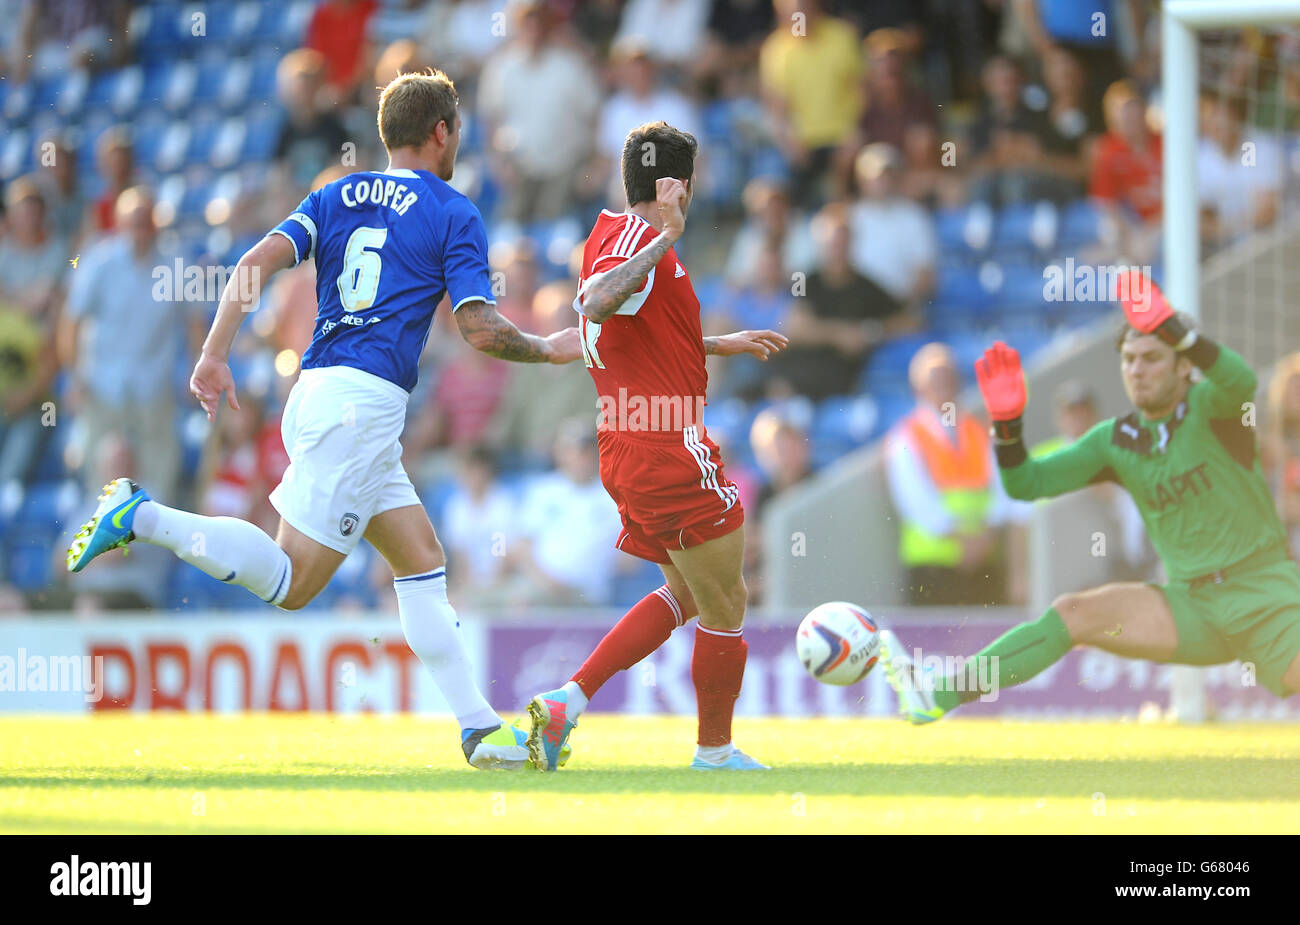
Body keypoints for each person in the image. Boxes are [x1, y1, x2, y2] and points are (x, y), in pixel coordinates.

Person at [66, 70, 582, 771]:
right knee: (291, 583)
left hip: (323, 391)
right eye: (456, 129)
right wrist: (550, 349)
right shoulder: (453, 210)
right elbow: (480, 330)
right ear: (441, 132)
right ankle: (143, 515)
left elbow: (254, 262)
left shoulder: (334, 194)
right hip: (361, 408)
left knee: (421, 559)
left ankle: (479, 728)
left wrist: (216, 353)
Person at [882, 273, 1300, 723]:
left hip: (1264, 595)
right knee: (1072, 613)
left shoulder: (1211, 407)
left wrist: (1174, 328)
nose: (1138, 370)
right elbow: (1027, 484)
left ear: (1183, 367)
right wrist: (1007, 426)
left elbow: (1237, 379)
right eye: (1130, 359)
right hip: (1190, 606)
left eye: (1153, 358)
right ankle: (937, 694)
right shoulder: (1113, 441)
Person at [524, 121, 788, 772]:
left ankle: (569, 698)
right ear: (678, 186)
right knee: (727, 600)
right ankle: (715, 753)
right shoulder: (646, 241)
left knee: (690, 593)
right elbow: (597, 300)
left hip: (624, 443)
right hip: (667, 442)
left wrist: (717, 343)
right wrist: (669, 234)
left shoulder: (607, 233)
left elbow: (632, 327)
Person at [885, 343, 1028, 606]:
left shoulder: (979, 431)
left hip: (983, 564)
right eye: (936, 378)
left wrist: (985, 538)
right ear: (919, 387)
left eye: (949, 378)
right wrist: (964, 541)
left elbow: (1001, 491)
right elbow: (915, 502)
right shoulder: (907, 435)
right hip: (933, 567)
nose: (944, 385)